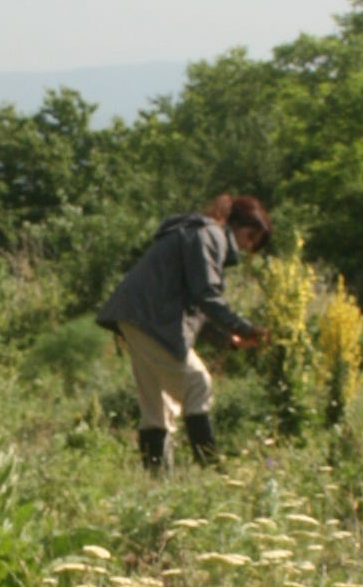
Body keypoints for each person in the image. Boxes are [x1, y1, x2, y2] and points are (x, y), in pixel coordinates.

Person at [96, 192, 271, 470]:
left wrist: (230, 340)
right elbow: (206, 296)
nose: (246, 247)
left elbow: (198, 307)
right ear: (235, 225)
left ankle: (157, 487)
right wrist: (249, 329)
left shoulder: (200, 234)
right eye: (250, 237)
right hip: (151, 320)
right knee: (198, 383)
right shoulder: (210, 235)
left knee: (158, 407)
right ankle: (211, 471)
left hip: (139, 317)